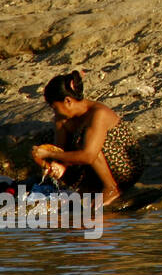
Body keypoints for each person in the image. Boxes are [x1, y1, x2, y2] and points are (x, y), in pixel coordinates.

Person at [30, 71, 142, 206]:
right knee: (46, 139)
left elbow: (88, 156)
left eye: (55, 108)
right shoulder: (62, 119)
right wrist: (59, 164)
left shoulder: (98, 114)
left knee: (84, 140)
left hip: (124, 166)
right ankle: (89, 187)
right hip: (93, 165)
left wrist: (49, 154)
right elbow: (60, 150)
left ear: (67, 101)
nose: (55, 113)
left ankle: (111, 188)